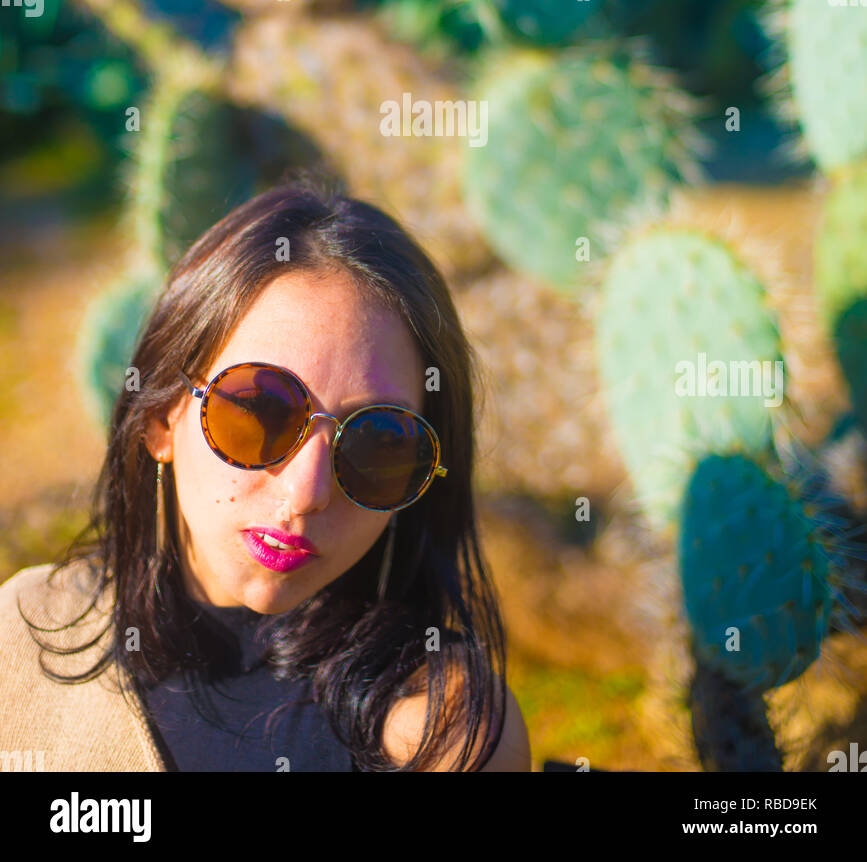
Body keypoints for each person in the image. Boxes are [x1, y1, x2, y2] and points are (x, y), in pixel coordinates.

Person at [0, 174, 531, 772]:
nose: (307, 493)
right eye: (260, 411)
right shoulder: (22, 632)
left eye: (379, 444)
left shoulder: (439, 734)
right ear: (162, 421)